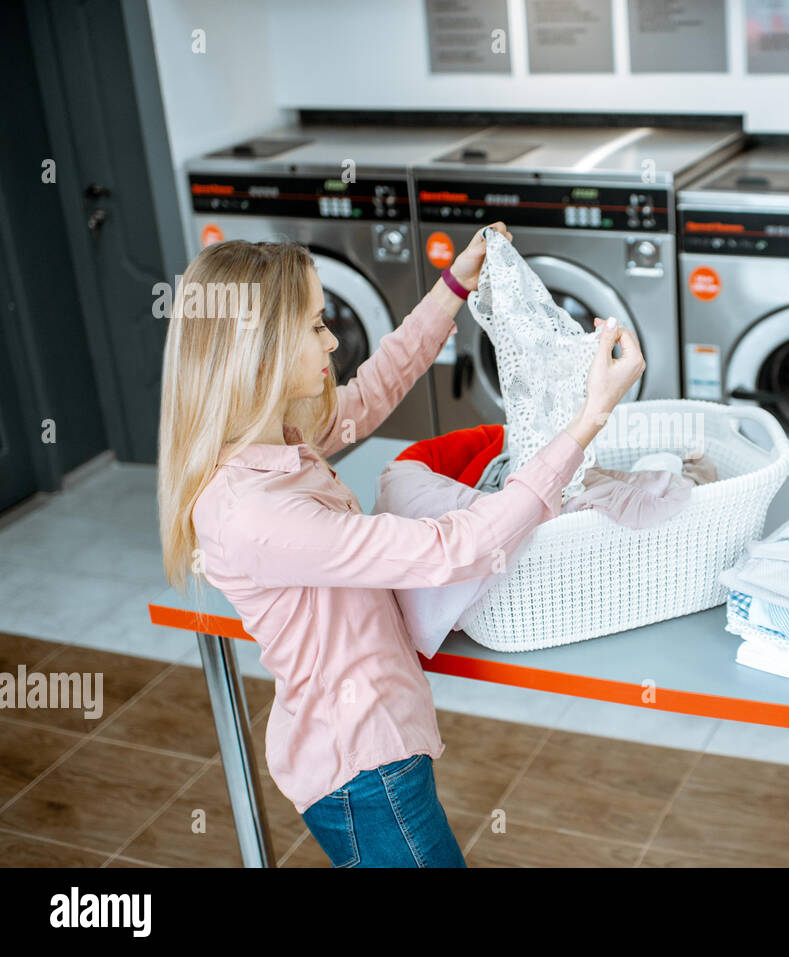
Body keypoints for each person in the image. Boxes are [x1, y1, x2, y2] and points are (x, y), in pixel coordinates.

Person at [156, 222, 644, 866]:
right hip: (363, 771)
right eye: (313, 326)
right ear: (260, 351)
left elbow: (375, 388)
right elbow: (452, 548)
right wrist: (587, 421)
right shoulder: (257, 513)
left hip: (370, 754)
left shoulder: (271, 442)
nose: (331, 339)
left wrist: (453, 286)